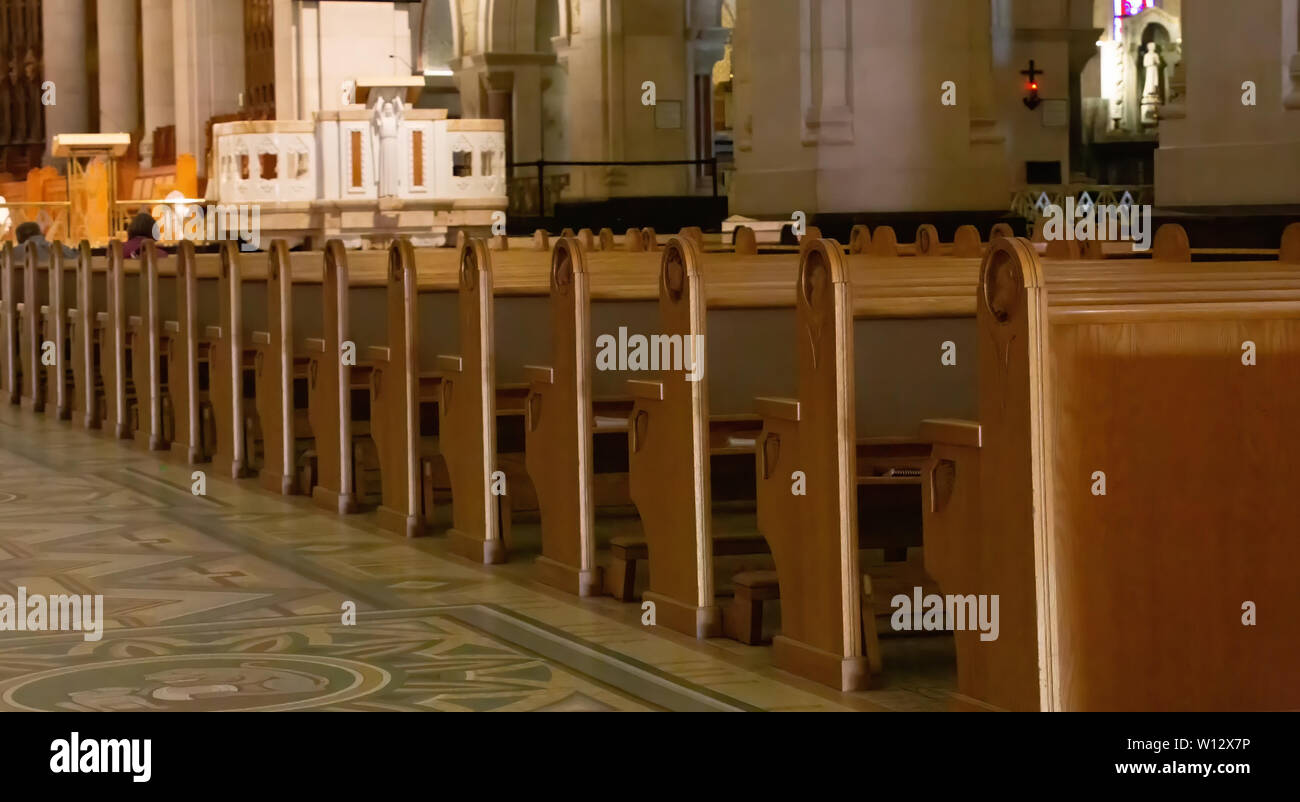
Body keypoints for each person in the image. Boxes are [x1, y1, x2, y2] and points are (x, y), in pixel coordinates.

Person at [13, 221, 78, 264]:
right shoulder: (60, 248)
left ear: (19, 239)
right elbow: (77, 257)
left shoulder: (11, 253)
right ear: (39, 233)